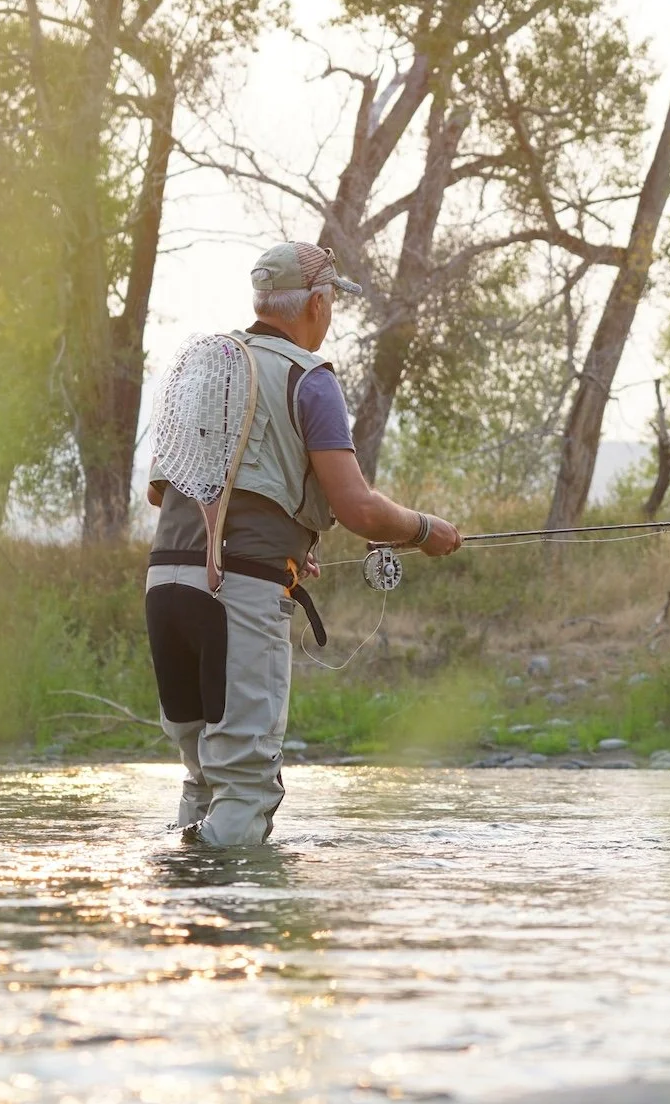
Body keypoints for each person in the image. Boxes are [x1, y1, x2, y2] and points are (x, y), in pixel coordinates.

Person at [143, 241, 460, 846]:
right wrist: (426, 530)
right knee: (246, 786)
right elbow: (358, 507)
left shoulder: (200, 367)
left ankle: (178, 904)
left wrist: (287, 533)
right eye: (333, 299)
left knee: (200, 776)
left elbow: (167, 492)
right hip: (236, 594)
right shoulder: (308, 379)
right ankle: (235, 919)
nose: (333, 311)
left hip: (165, 584)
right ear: (316, 303)